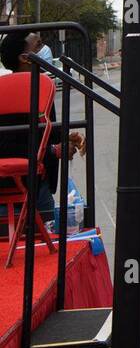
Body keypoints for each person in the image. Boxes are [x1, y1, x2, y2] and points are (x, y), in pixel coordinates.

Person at [0, 29, 86, 223]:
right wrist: (54, 151)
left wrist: (65, 139)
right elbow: (7, 147)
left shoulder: (42, 87)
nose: (45, 49)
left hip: (40, 185)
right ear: (25, 58)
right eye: (38, 46)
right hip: (12, 192)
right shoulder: (9, 94)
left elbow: (43, 132)